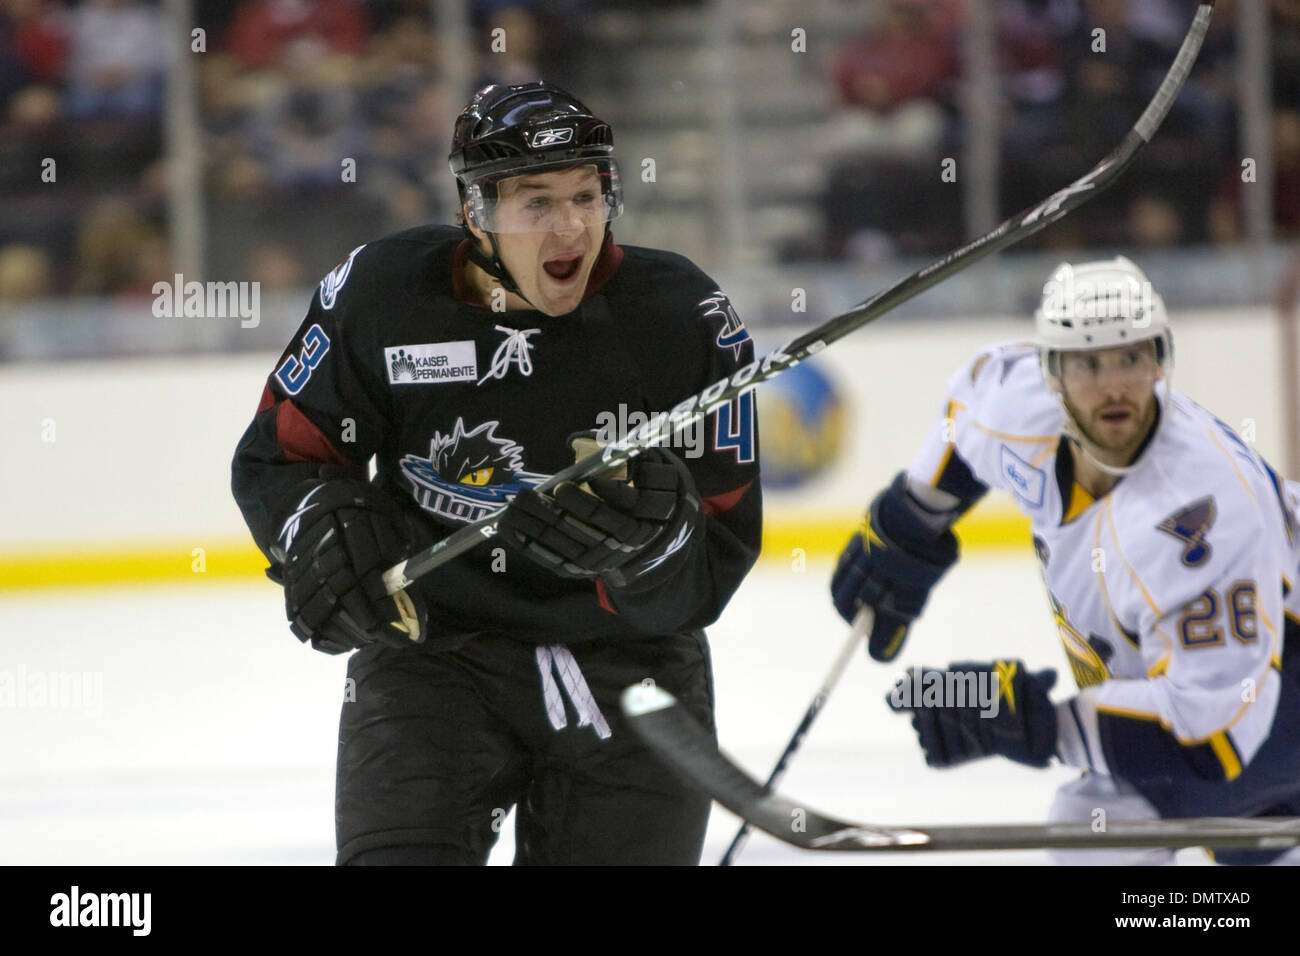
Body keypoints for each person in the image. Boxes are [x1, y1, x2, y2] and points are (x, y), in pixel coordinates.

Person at [231, 81, 762, 865]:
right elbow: (285, 454)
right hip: (432, 663)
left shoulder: (679, 315)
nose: (571, 225)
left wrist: (656, 549)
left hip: (633, 676)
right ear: (475, 213)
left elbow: (716, 552)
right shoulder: (382, 296)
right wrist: (316, 530)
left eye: (587, 194)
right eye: (536, 203)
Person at [831, 255, 1300, 864]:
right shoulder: (1017, 407)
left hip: (1277, 705)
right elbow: (968, 410)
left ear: (1161, 360)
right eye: (1087, 363)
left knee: (1092, 829)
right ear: (1050, 373)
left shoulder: (1203, 516)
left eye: (1132, 357)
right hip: (1216, 694)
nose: (1112, 387)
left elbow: (1214, 738)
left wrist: (1036, 724)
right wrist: (908, 522)